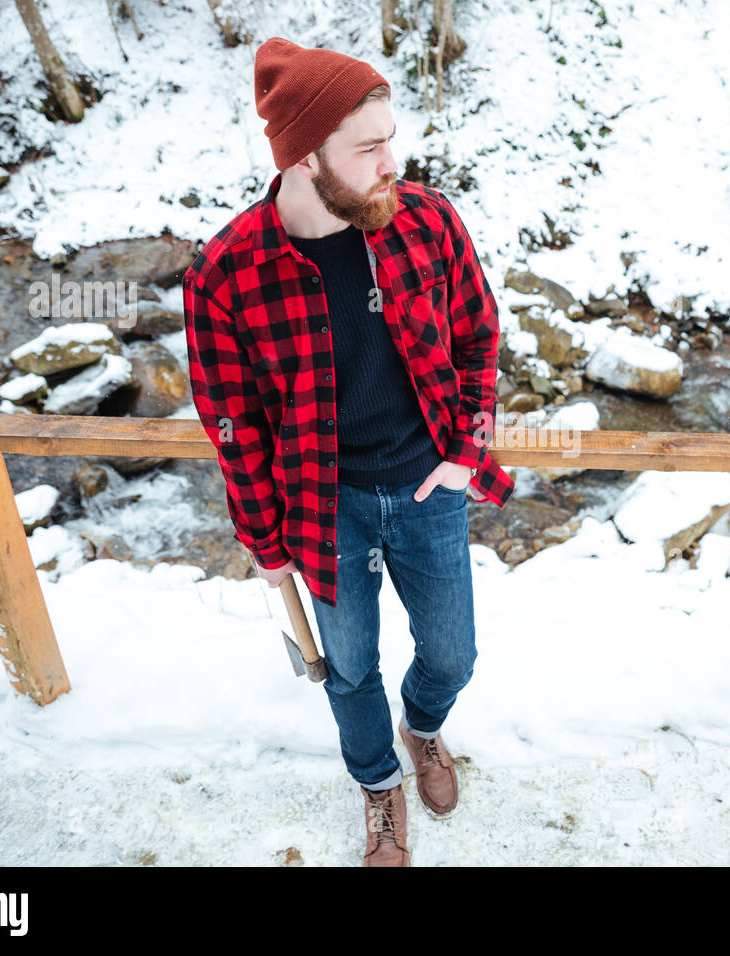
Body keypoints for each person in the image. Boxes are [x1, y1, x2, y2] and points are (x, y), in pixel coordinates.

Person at [182, 37, 514, 866]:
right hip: (321, 512)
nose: (390, 163)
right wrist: (266, 548)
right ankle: (377, 785)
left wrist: (467, 452)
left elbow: (478, 337)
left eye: (389, 139)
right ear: (302, 157)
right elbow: (234, 428)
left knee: (452, 653)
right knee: (349, 668)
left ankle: (425, 730)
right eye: (368, 148)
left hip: (428, 487)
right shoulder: (225, 273)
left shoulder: (425, 222)